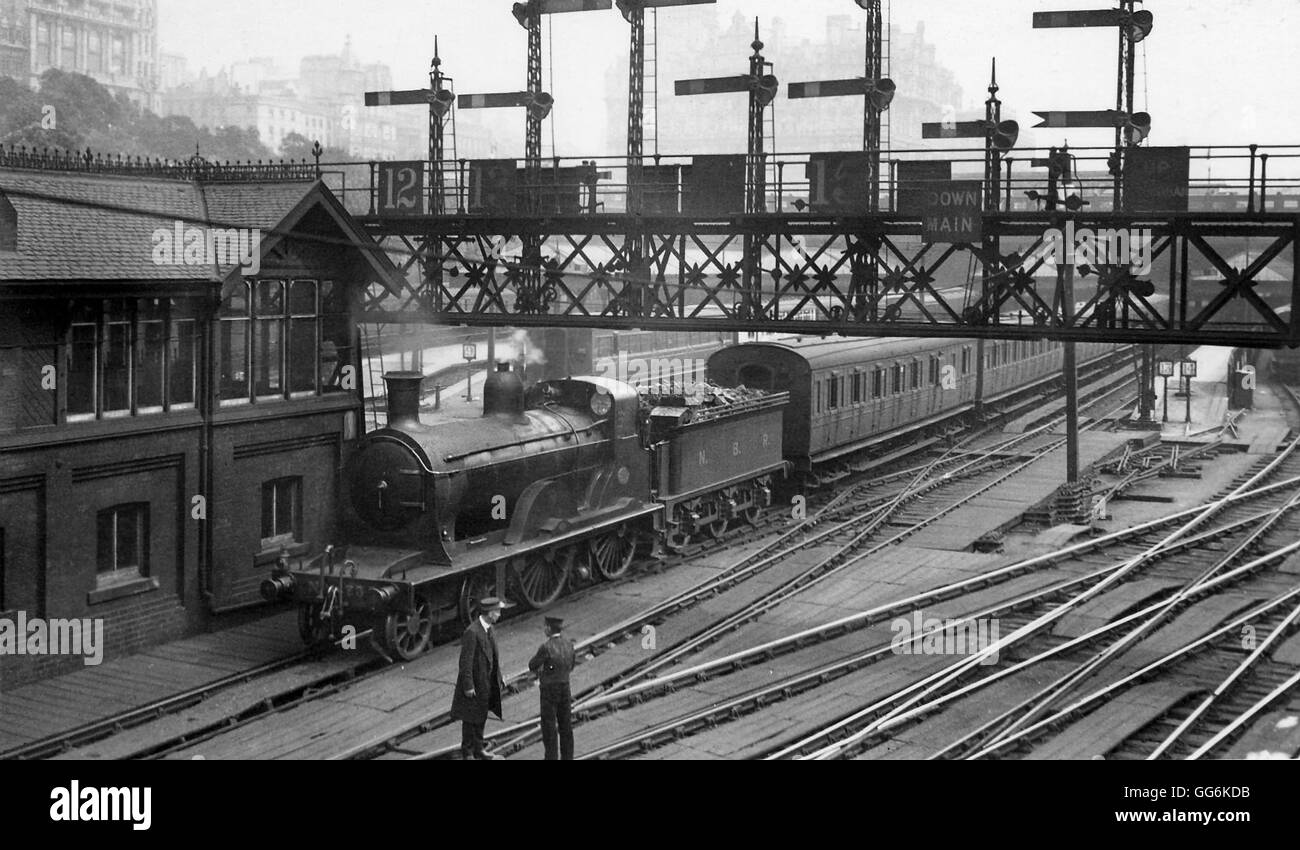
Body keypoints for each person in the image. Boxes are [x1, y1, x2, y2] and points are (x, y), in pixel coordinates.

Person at [450, 596, 505, 760]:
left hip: (486, 683)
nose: (499, 615)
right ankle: (467, 753)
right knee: (469, 720)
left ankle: (479, 749)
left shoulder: (489, 629)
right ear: (489, 613)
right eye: (498, 612)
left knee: (481, 716)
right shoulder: (472, 632)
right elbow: (465, 663)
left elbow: (493, 657)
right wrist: (468, 686)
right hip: (474, 685)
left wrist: (499, 677)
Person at [528, 616, 576, 761]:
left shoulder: (546, 647)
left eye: (545, 627)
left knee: (549, 727)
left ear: (549, 629)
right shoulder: (569, 644)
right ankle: (568, 757)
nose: (544, 629)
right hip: (565, 687)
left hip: (549, 690)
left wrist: (544, 671)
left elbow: (532, 665)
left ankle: (551, 758)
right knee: (566, 725)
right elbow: (571, 665)